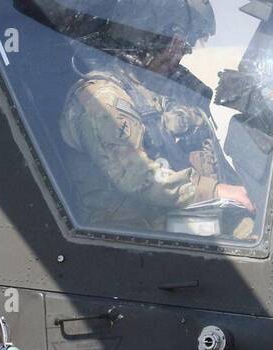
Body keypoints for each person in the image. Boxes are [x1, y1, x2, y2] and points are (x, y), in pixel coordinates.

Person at [57, 0, 257, 236]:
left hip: (174, 221)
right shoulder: (103, 98)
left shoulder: (157, 91)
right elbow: (136, 176)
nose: (180, 55)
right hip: (127, 237)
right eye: (179, 45)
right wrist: (215, 191)